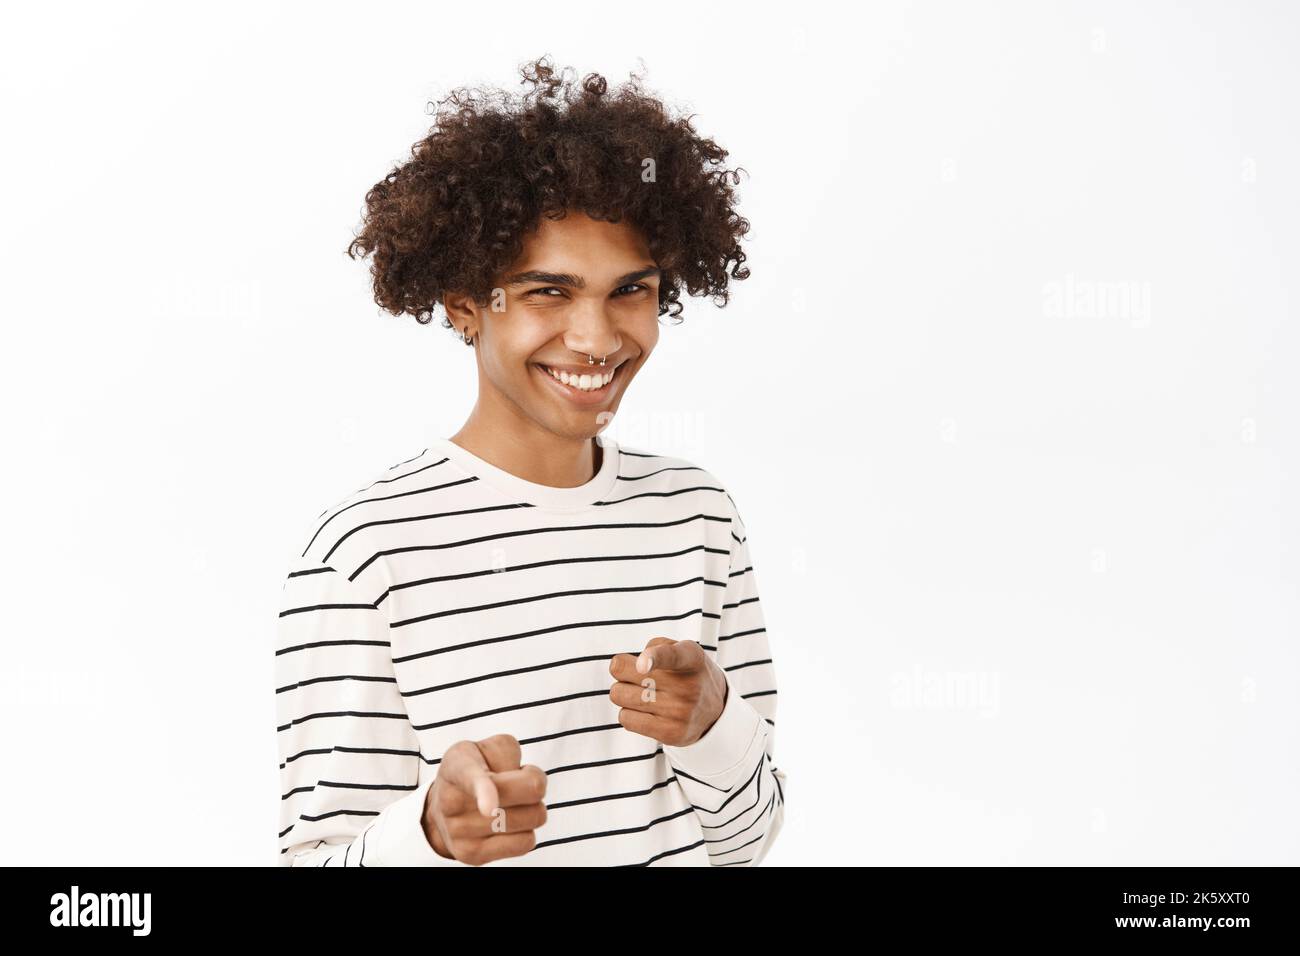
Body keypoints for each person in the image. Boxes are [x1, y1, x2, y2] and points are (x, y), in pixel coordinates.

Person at [275, 56, 785, 866]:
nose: (597, 338)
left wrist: (714, 724)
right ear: (467, 304)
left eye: (631, 291)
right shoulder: (367, 551)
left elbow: (745, 842)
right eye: (549, 292)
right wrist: (432, 837)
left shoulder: (698, 516)